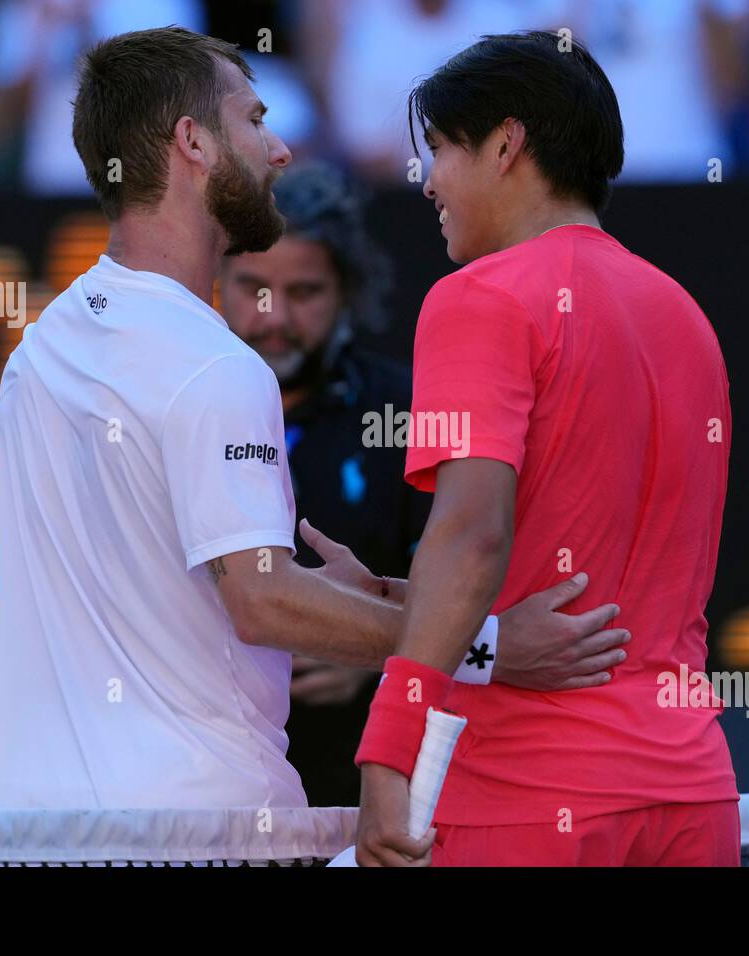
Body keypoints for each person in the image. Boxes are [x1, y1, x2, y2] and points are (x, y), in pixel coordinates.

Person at [0, 27, 629, 810]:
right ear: (193, 142)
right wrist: (484, 646)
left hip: (31, 825)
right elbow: (264, 599)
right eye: (254, 120)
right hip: (196, 835)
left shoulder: (42, 349)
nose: (280, 150)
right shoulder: (216, 365)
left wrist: (380, 602)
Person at [351, 31, 740, 866]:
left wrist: (389, 745)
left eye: (442, 149)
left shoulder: (477, 297)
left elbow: (473, 534)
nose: (427, 182)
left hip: (527, 795)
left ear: (506, 143)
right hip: (693, 790)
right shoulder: (688, 317)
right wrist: (396, 595)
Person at [220, 162, 429, 806]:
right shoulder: (169, 408)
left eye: (305, 291)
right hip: (204, 786)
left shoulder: (406, 409)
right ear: (214, 281)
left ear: (347, 292)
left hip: (361, 787)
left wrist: (371, 658)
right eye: (253, 286)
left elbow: (469, 580)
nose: (274, 316)